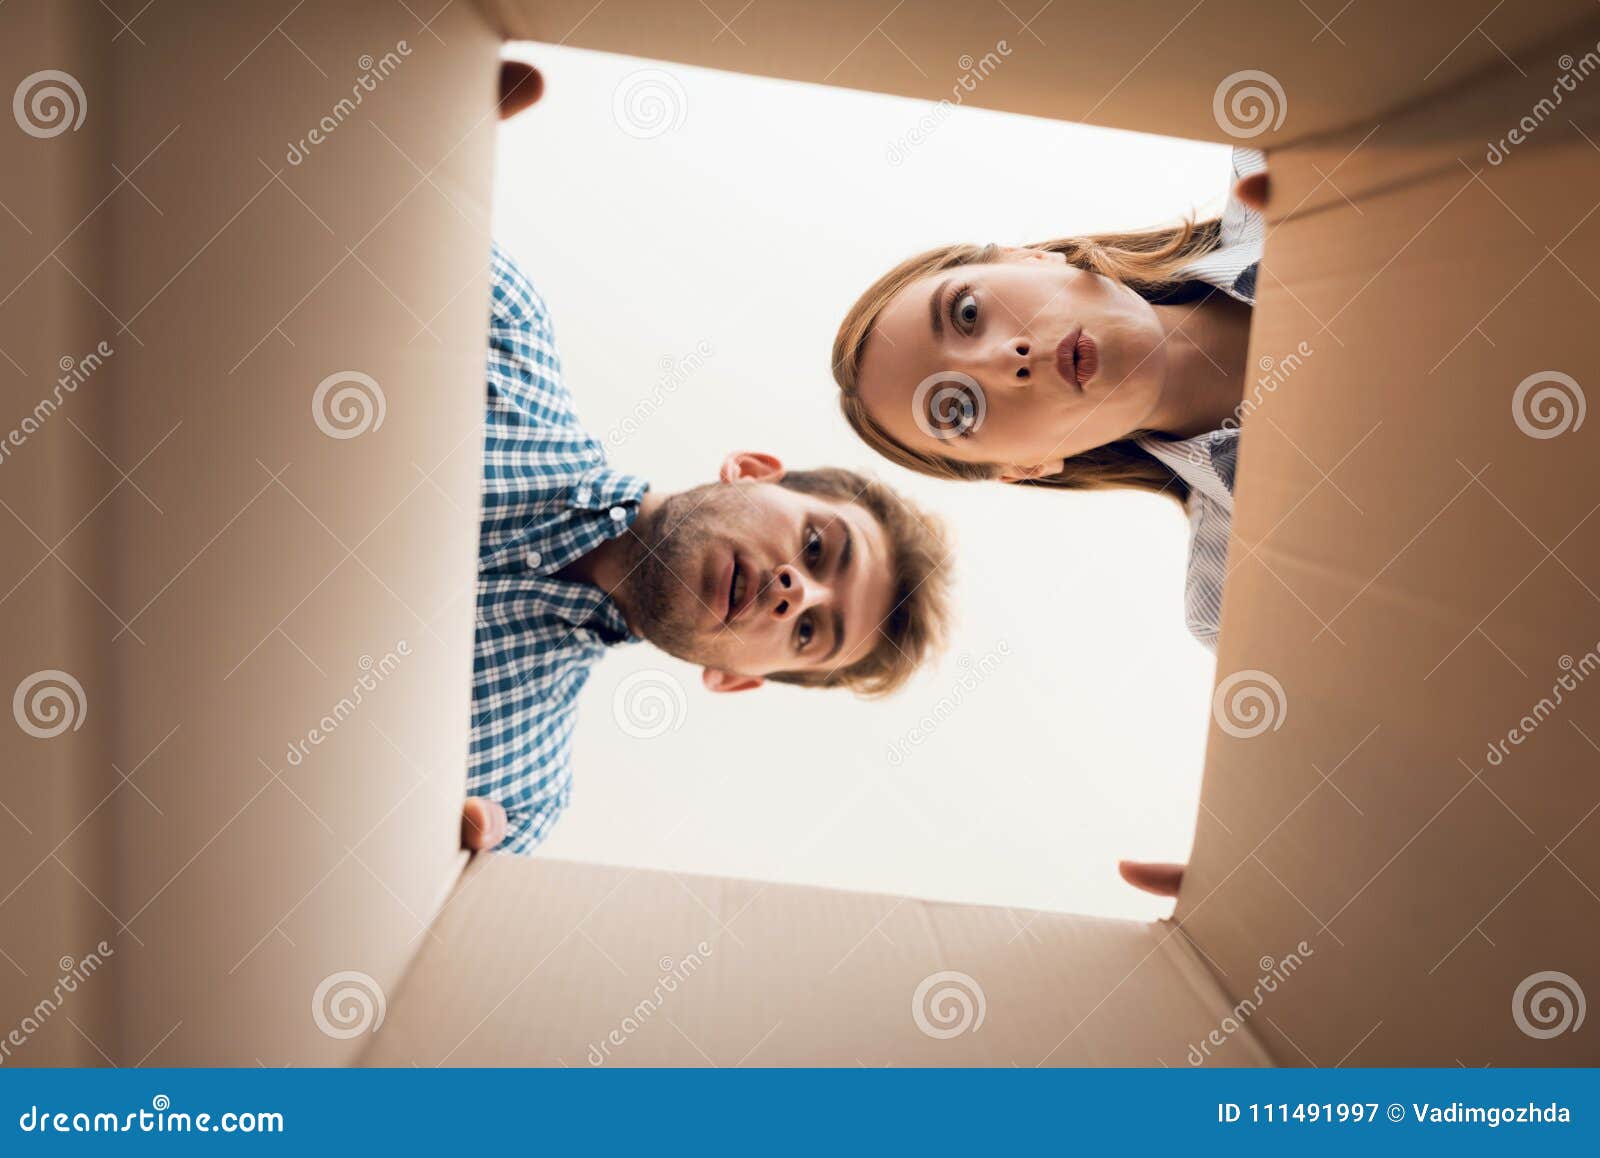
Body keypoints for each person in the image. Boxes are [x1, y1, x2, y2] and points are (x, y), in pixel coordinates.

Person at [829, 149, 1270, 896]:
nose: (1011, 357)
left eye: (968, 314)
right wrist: (1288, 855)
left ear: (1031, 257)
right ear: (1029, 467)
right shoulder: (1242, 598)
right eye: (959, 410)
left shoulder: (1285, 156)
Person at [459, 241, 952, 853]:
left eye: (808, 634)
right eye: (818, 547)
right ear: (751, 468)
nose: (796, 595)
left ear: (736, 679)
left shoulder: (516, 799)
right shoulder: (498, 330)